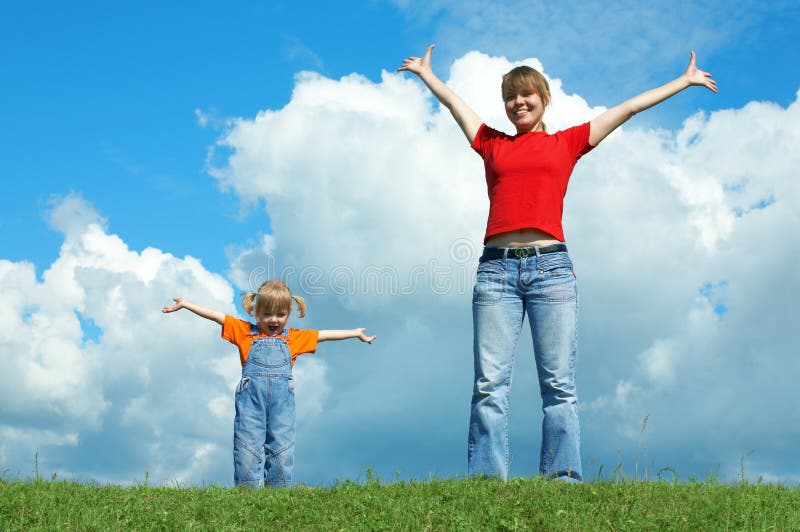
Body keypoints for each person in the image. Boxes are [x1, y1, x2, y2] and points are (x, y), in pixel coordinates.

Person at [398, 45, 716, 482]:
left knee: (559, 387)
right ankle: (488, 480)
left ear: (544, 99)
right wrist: (426, 75)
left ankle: (562, 478)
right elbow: (455, 103)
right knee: (489, 386)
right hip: (496, 273)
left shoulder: (567, 142)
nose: (518, 103)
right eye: (510, 96)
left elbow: (628, 108)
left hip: (551, 272)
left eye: (527, 94)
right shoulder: (491, 143)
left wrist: (683, 82)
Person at [162, 279, 376, 488]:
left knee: (282, 448)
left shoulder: (294, 338)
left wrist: (355, 333)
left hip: (282, 405)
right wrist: (186, 305)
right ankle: (247, 496)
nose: (273, 320)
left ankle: (278, 496)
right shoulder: (244, 331)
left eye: (280, 315)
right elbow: (217, 317)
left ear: (288, 314)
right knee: (247, 447)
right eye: (267, 314)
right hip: (251, 403)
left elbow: (325, 335)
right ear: (256, 312)